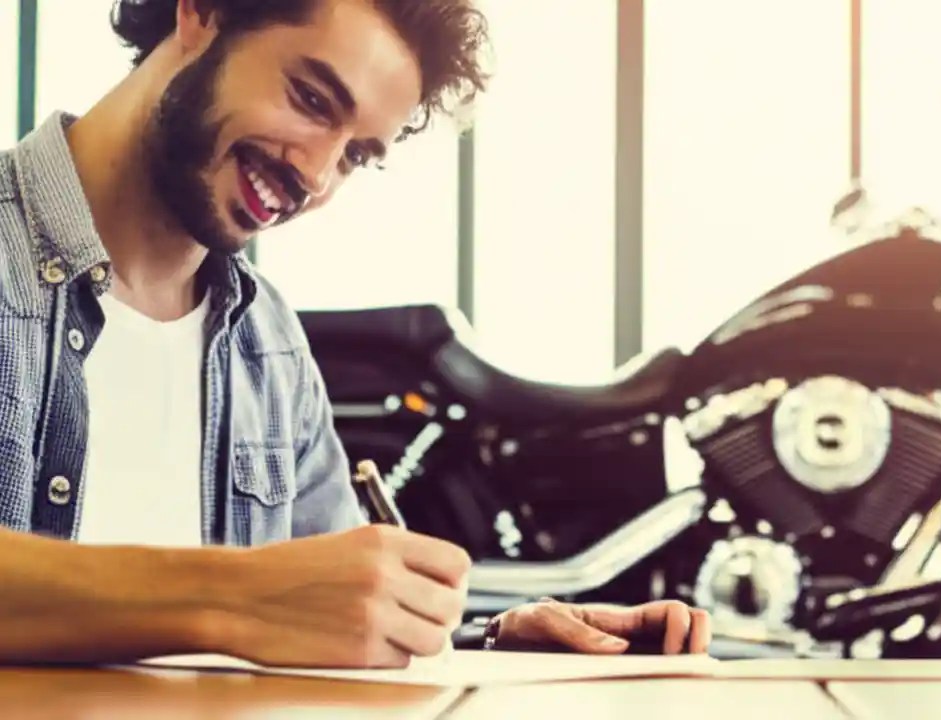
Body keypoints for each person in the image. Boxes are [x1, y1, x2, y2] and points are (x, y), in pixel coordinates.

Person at [0, 0, 710, 667]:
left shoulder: (269, 346)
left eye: (356, 155)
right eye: (311, 99)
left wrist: (498, 652)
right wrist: (235, 597)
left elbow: (326, 616)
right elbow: (266, 601)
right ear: (202, 11)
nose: (314, 174)